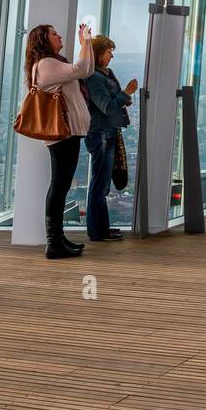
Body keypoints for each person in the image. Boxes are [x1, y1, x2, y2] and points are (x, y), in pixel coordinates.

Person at [26, 22, 94, 259]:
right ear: (43, 40)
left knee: (61, 185)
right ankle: (53, 242)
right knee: (59, 185)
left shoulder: (50, 62)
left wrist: (87, 45)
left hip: (67, 133)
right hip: (62, 133)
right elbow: (81, 68)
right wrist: (85, 43)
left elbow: (87, 69)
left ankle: (58, 238)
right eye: (53, 34)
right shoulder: (46, 64)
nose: (58, 36)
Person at [84, 35, 137, 240]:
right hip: (101, 133)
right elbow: (106, 106)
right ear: (98, 53)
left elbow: (111, 102)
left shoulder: (105, 74)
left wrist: (123, 98)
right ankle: (98, 232)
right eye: (108, 51)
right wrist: (126, 93)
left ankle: (101, 228)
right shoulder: (95, 78)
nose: (112, 55)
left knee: (102, 184)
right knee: (100, 184)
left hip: (108, 132)